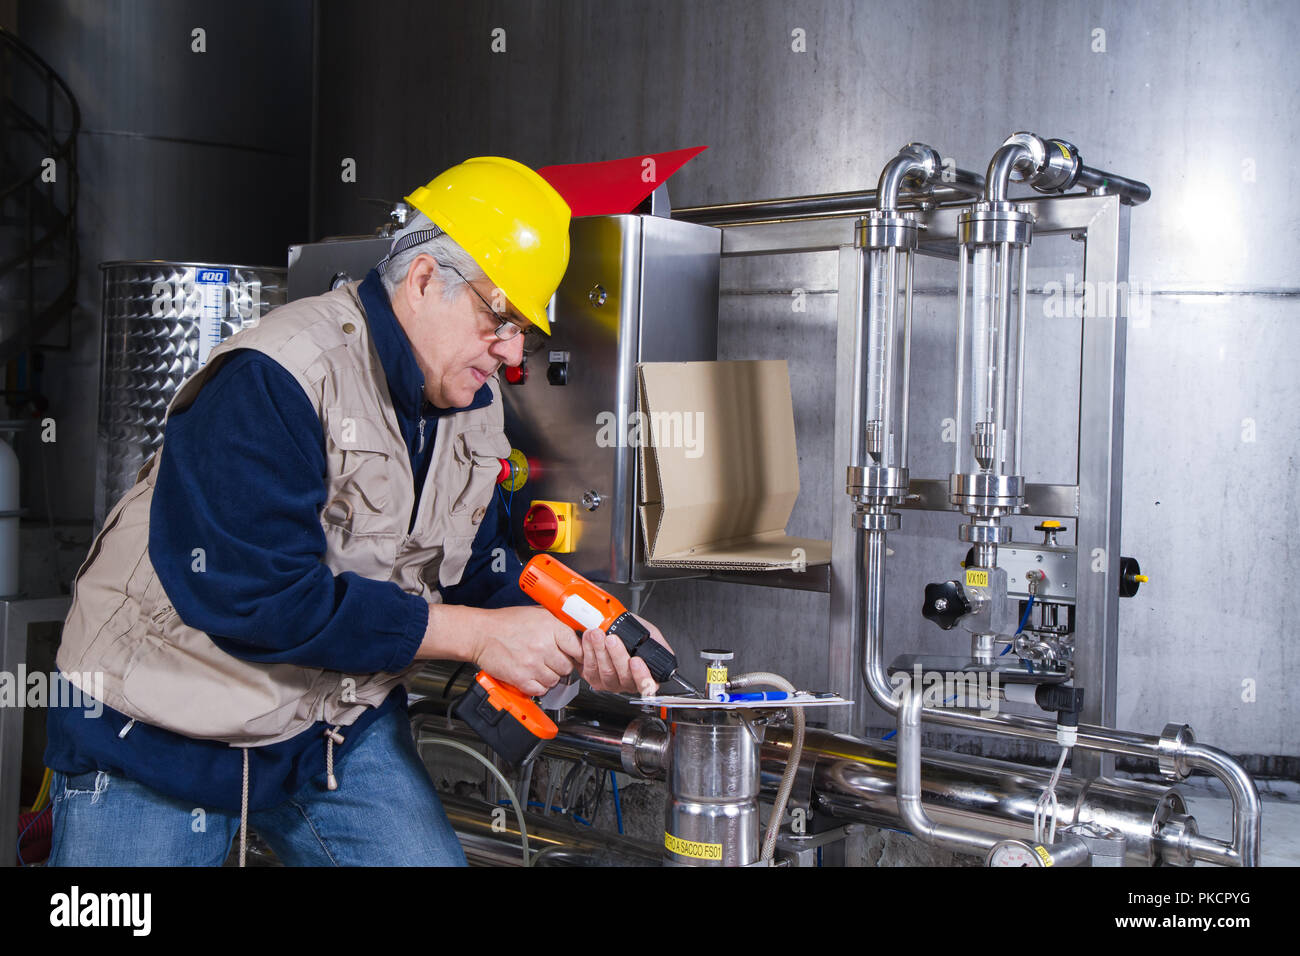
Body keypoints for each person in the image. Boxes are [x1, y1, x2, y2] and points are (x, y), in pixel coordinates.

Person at [44, 156, 669, 866]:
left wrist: (589, 624)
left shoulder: (469, 405)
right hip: (155, 730)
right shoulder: (274, 379)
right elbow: (260, 597)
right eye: (500, 316)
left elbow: (474, 565)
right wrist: (478, 638)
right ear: (426, 280)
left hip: (327, 733)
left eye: (527, 327)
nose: (512, 350)